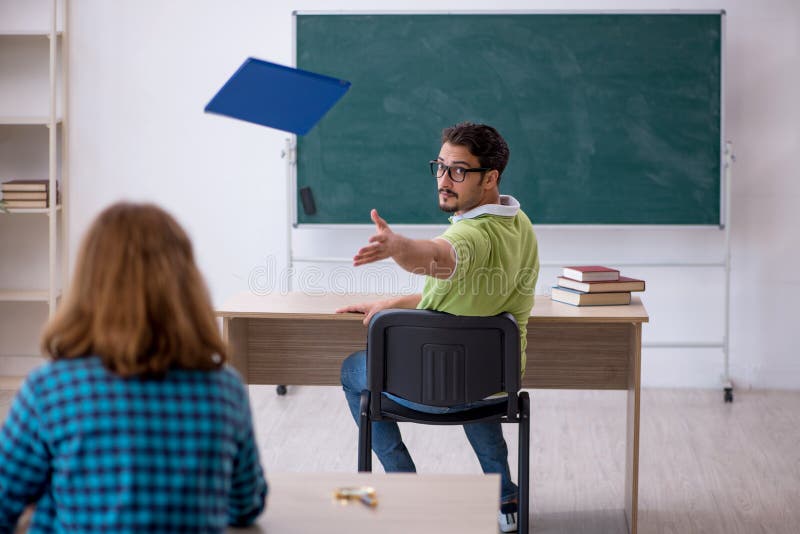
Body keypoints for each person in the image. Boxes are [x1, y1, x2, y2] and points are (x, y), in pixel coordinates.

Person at [0, 202, 267, 533]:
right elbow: (245, 504)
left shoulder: (50, 390)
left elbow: (4, 500)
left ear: (89, 284)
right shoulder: (224, 389)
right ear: (186, 285)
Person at [338, 122, 539, 533]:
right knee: (468, 368)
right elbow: (461, 289)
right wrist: (394, 302)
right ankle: (505, 496)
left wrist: (399, 249)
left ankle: (405, 490)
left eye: (459, 171)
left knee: (351, 371)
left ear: (490, 178)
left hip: (436, 388)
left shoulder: (470, 235)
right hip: (494, 382)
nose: (444, 181)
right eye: (441, 167)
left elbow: (437, 257)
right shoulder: (519, 226)